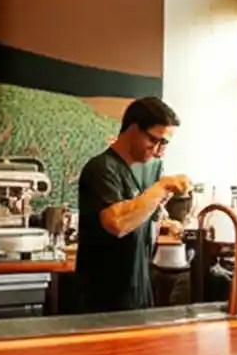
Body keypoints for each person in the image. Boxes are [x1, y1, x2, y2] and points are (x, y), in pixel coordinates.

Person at [67, 96, 191, 313]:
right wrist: (160, 188)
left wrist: (164, 214)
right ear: (133, 129)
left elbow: (146, 216)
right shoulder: (101, 169)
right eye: (155, 140)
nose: (160, 151)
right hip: (102, 301)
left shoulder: (149, 170)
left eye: (165, 144)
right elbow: (117, 223)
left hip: (139, 293)